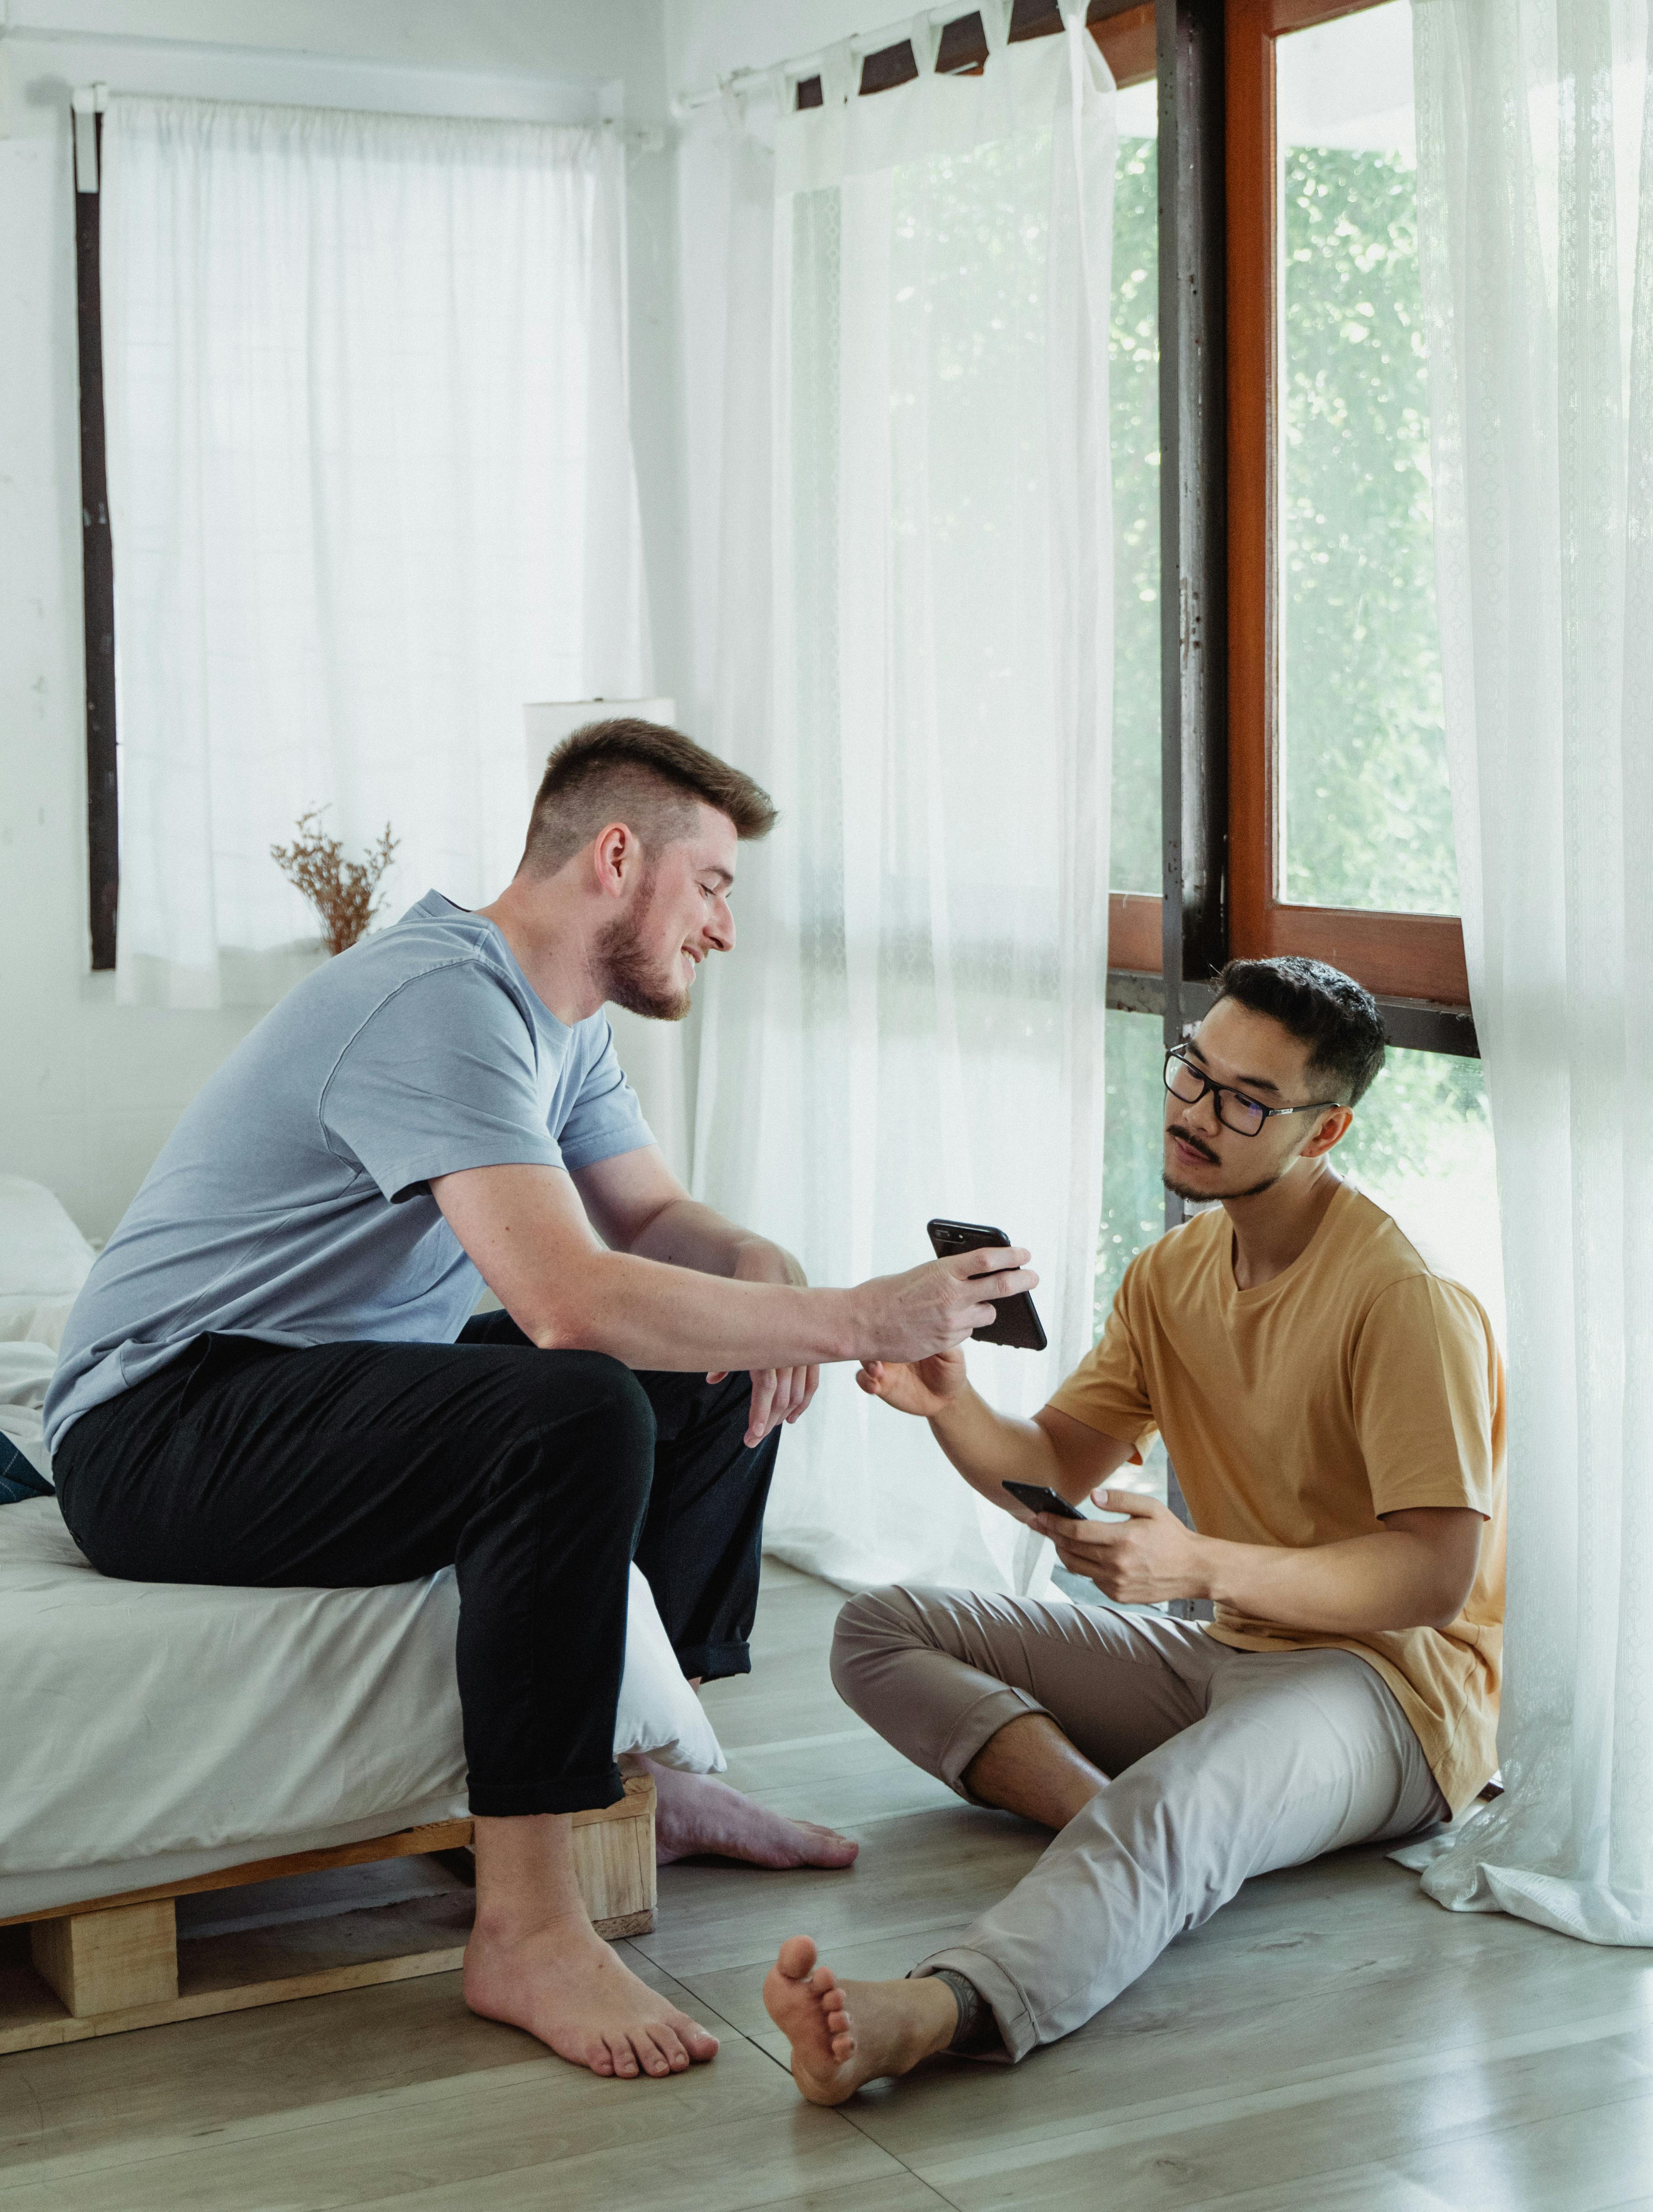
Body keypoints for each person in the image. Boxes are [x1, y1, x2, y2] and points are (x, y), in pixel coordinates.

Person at [45, 718, 1037, 2084]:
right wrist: (859, 1316)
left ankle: (658, 1766)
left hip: (290, 1391)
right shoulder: (437, 1002)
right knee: (575, 1403)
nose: (723, 928)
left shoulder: (557, 1026)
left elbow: (654, 1221)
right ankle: (523, 1925)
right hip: (159, 1430)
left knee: (698, 1365)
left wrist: (760, 1266)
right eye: (711, 886)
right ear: (616, 859)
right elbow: (569, 1299)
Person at [763, 956, 1505, 2100]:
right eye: (1192, 1072)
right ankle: (1102, 1819)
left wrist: (1197, 1562)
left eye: (1245, 1101)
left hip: (1392, 1694)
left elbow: (1434, 1577)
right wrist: (949, 1402)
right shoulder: (1171, 1273)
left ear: (1324, 1131)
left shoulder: (1403, 1298)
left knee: (1182, 1800)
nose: (1195, 1112)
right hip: (1229, 1651)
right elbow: (1055, 1464)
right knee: (879, 1628)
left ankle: (940, 2007)